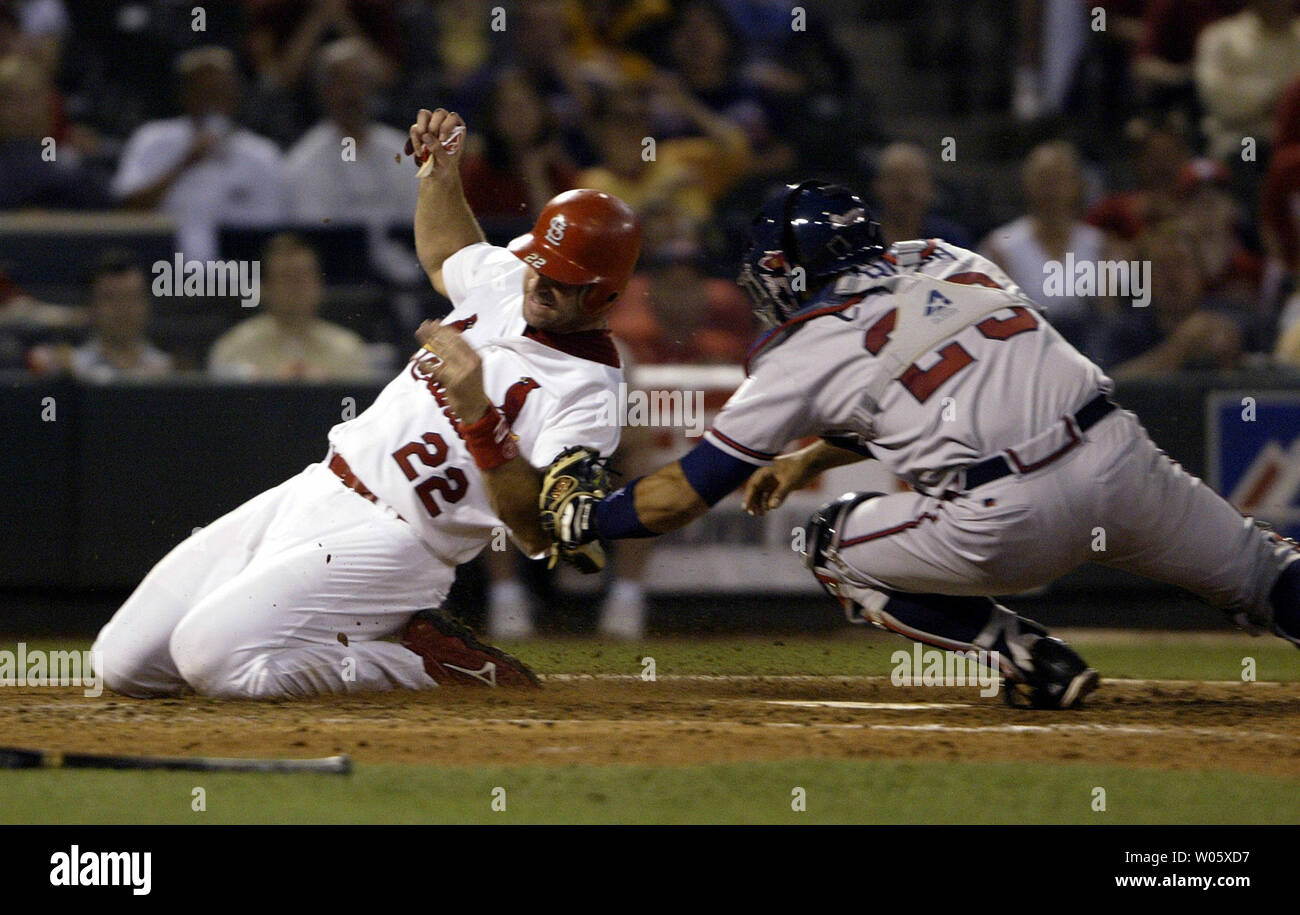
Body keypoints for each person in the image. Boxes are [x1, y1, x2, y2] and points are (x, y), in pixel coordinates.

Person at [542, 181, 1300, 709]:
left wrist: (589, 518)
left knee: (827, 542)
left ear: (790, 269)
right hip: (1119, 456)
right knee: (1265, 574)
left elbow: (683, 492)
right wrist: (811, 455)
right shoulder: (951, 256)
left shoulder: (802, 351)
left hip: (1007, 517)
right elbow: (953, 381)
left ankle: (1024, 655)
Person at [91, 109, 642, 699]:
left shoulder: (588, 392)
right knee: (121, 664)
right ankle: (353, 642)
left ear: (604, 292)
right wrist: (439, 172)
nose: (540, 283)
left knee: (213, 660)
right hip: (320, 486)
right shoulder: (514, 278)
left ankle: (421, 663)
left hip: (403, 541)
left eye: (562, 279)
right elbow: (446, 254)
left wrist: (480, 417)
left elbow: (535, 534)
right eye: (539, 265)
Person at [111, 46, 288, 262]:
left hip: (239, 278)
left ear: (236, 92)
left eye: (221, 90)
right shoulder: (152, 139)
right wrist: (185, 163)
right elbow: (127, 207)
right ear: (184, 95)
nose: (213, 100)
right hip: (164, 275)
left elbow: (273, 231)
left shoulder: (262, 154)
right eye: (204, 91)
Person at [284, 38, 421, 284]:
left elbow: (420, 225)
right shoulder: (303, 162)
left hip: (404, 284)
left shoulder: (404, 151)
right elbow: (315, 239)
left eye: (359, 81)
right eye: (341, 82)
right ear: (324, 90)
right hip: (340, 288)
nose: (352, 93)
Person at [208, 233, 375, 381]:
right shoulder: (235, 346)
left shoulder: (348, 349)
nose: (297, 287)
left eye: (304, 276)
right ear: (265, 287)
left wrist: (328, 387)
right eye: (286, 277)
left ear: (319, 284)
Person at [69, 251, 173, 382]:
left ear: (147, 304)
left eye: (132, 297)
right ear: (91, 306)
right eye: (111, 298)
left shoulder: (168, 371)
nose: (123, 308)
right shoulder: (74, 369)